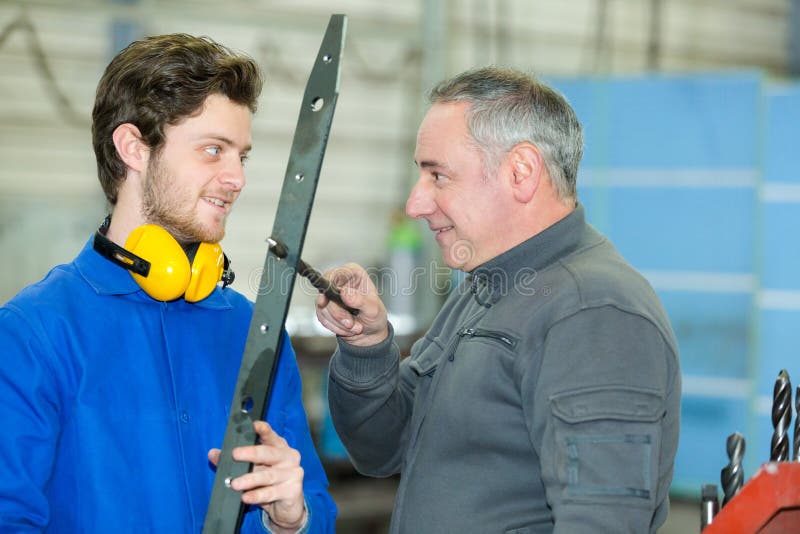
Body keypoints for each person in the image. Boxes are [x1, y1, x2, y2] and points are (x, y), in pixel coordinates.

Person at [315, 67, 681, 533]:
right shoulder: (488, 290)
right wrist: (367, 347)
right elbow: (383, 448)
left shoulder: (593, 313)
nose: (416, 203)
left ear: (521, 172)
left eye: (438, 175)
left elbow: (601, 522)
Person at [0, 34, 336, 533]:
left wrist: (291, 519)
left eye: (240, 156)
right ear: (134, 148)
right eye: (213, 150)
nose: (236, 178)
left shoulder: (253, 332)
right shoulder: (34, 334)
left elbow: (315, 507)